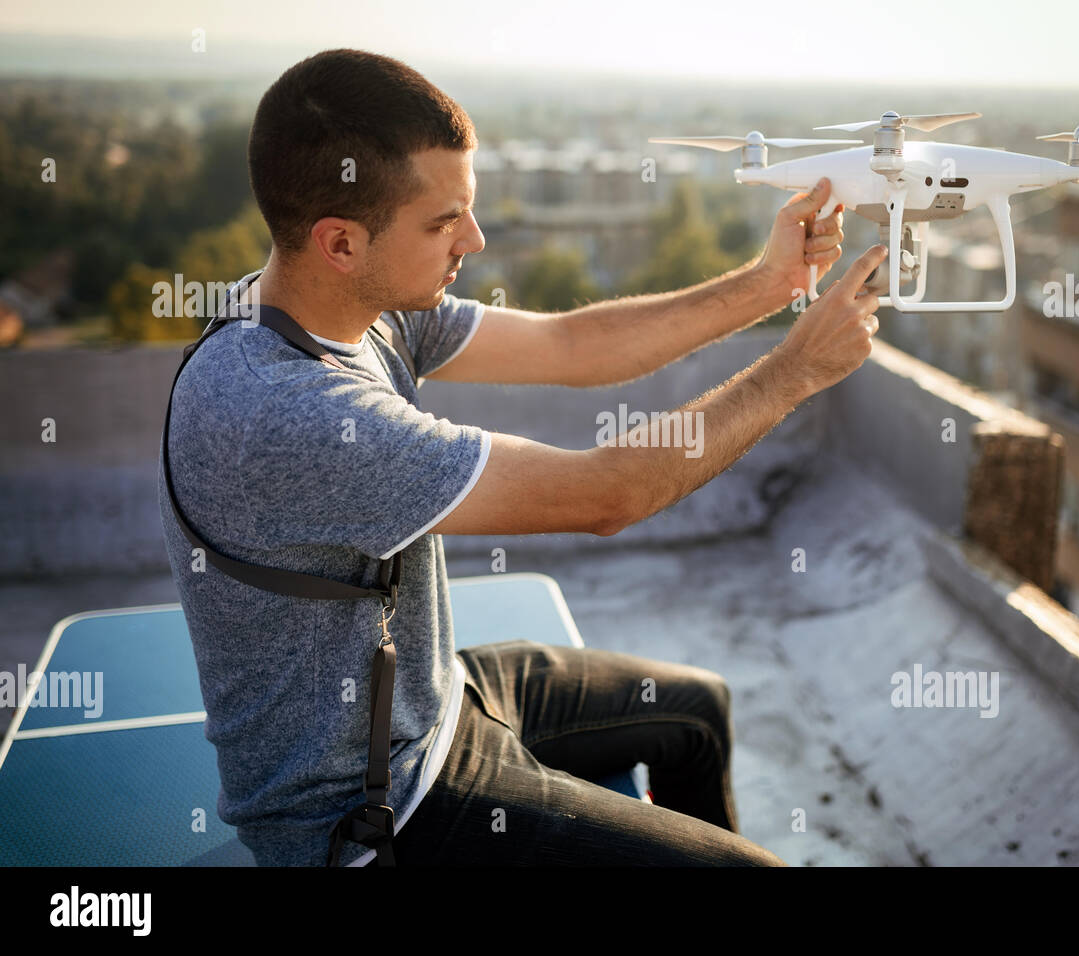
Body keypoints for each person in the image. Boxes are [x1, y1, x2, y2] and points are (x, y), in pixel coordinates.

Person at [159, 48, 886, 867]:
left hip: (430, 699)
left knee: (697, 713)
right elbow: (605, 494)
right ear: (340, 243)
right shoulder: (281, 411)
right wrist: (798, 369)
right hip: (374, 809)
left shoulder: (360, 306)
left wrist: (768, 282)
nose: (473, 237)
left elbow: (572, 344)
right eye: (444, 223)